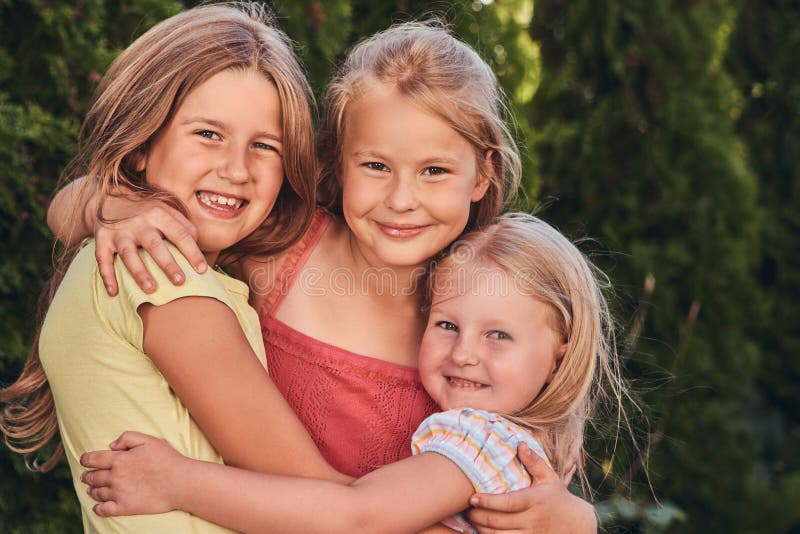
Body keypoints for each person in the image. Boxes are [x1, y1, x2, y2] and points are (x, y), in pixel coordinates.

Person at [46, 20, 598, 532]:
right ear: (337, 164)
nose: (401, 201)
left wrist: (579, 522)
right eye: (376, 166)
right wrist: (121, 211)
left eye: (434, 171)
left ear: (484, 176)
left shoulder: (486, 317)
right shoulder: (283, 246)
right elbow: (68, 205)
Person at [0, 4, 348, 532]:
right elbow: (329, 508)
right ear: (141, 143)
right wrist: (473, 502)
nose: (236, 169)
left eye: (264, 146)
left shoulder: (127, 249)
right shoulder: (162, 274)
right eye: (208, 133)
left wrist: (111, 203)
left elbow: (69, 203)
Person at [80, 212, 624, 533]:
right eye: (446, 324)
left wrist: (181, 482)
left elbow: (354, 520)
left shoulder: (479, 438)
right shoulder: (535, 454)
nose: (463, 353)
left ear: (560, 353)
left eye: (498, 335)